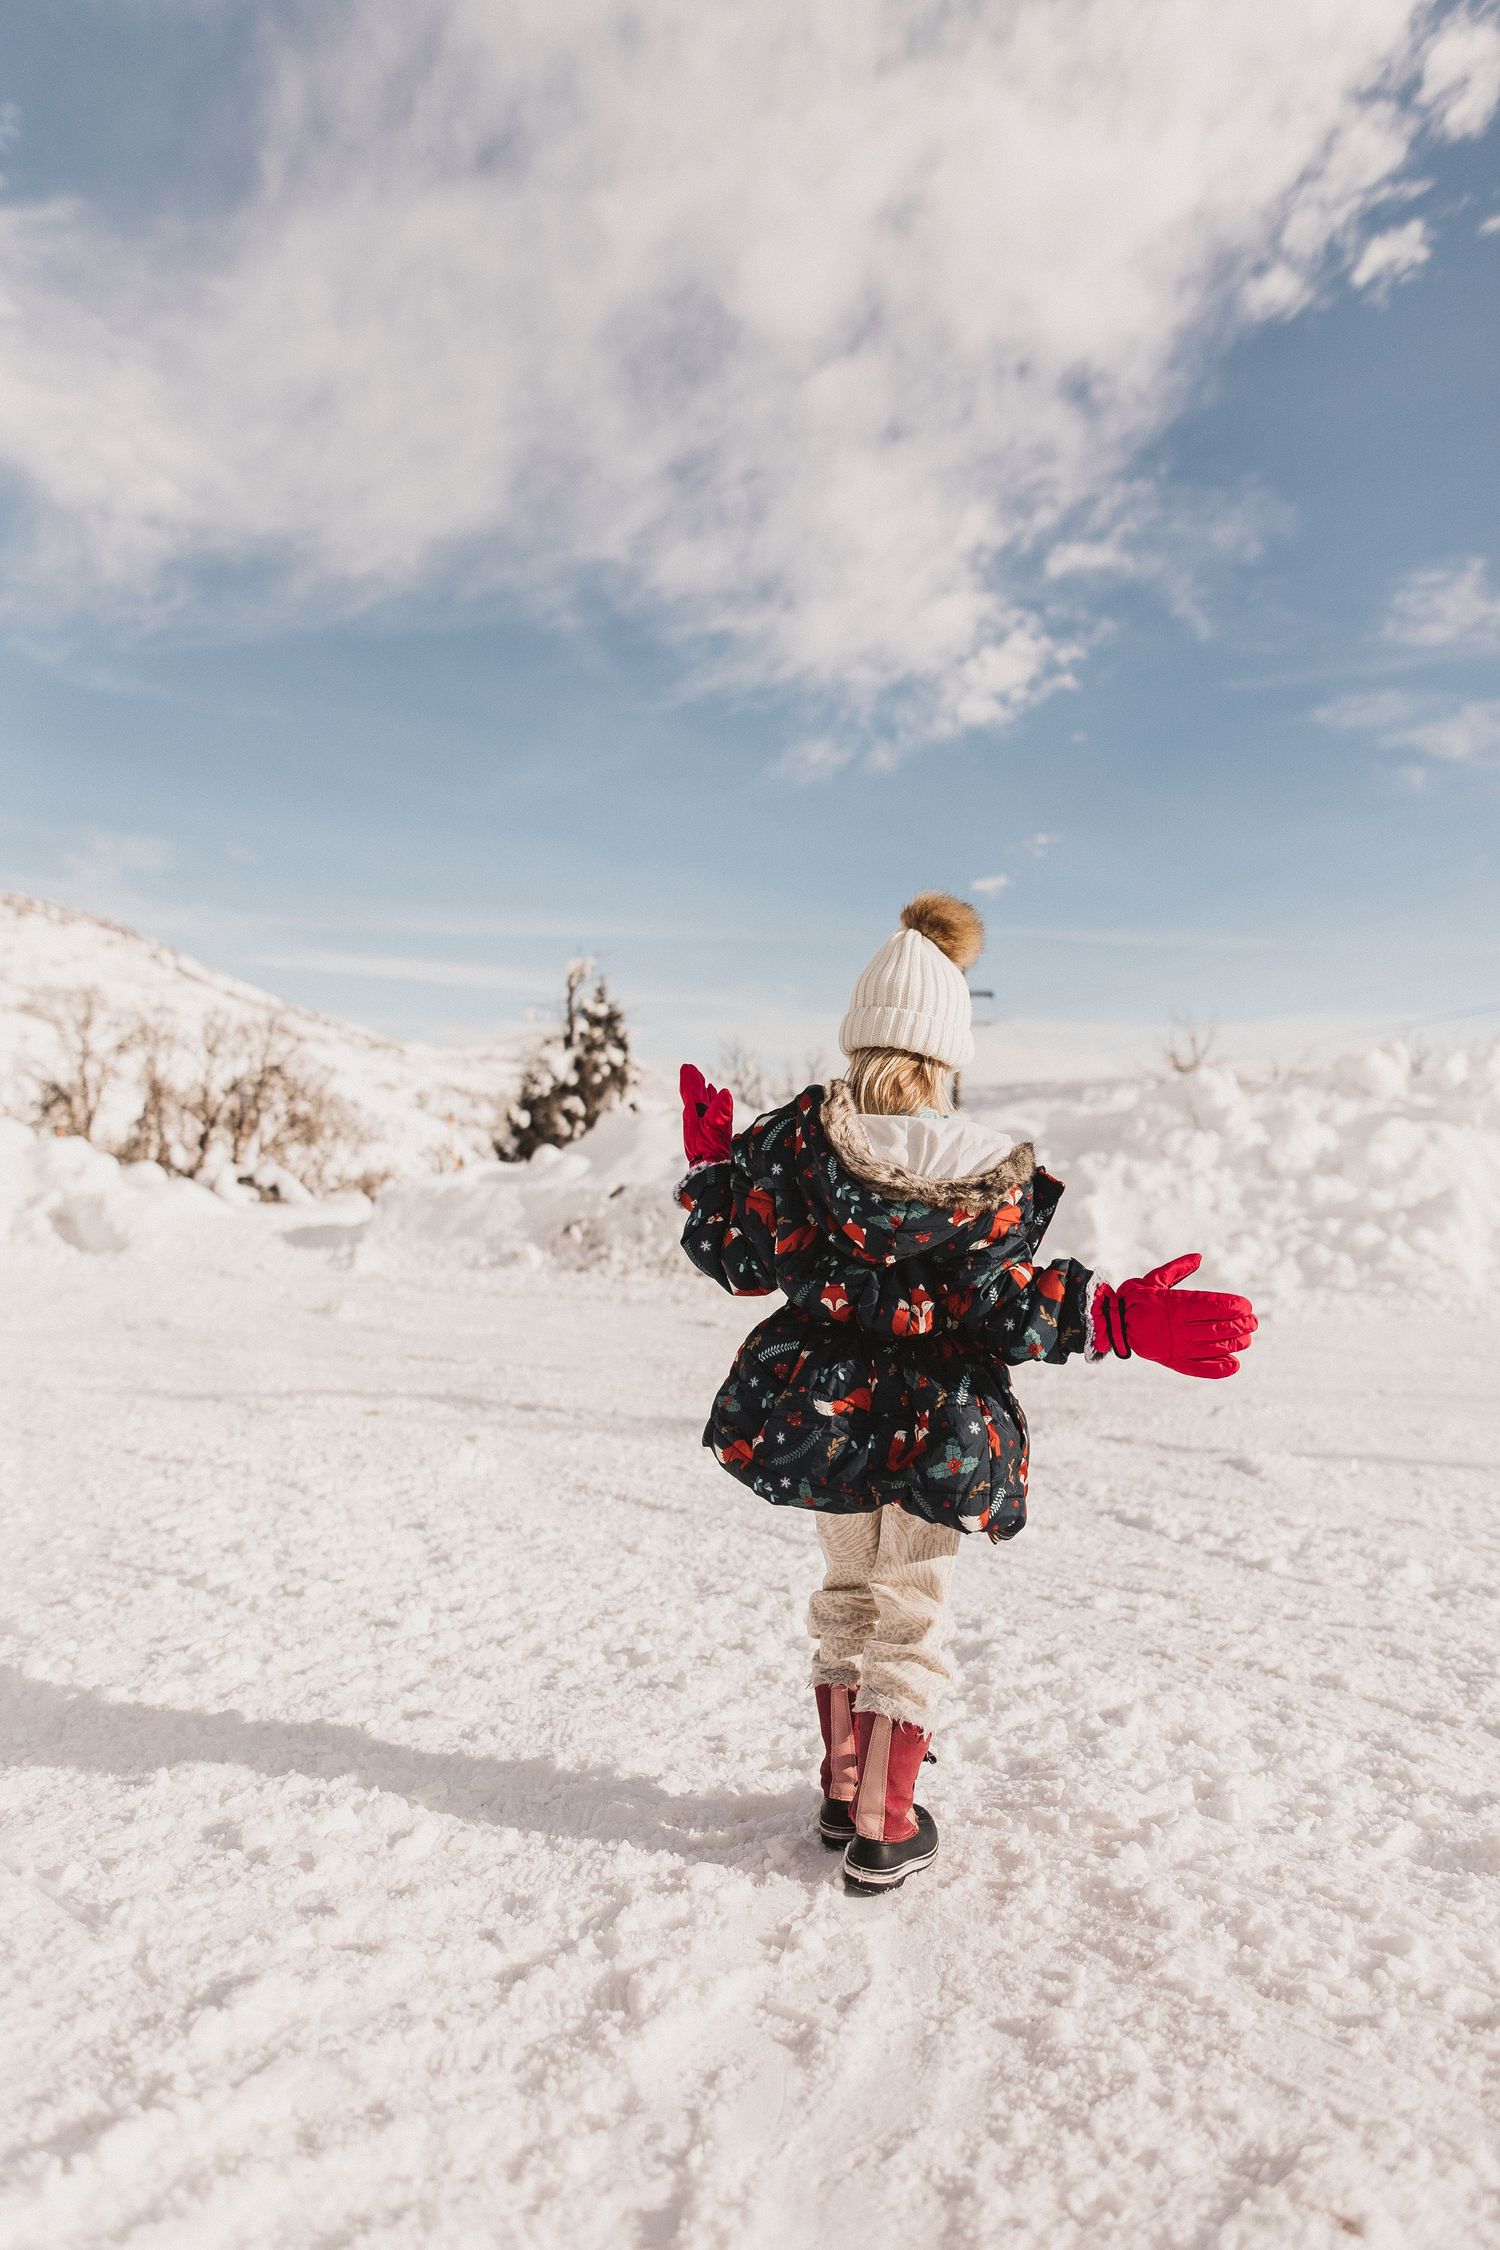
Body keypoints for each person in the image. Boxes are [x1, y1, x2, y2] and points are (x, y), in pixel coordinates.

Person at [676, 892, 1256, 1894]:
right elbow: (1012, 1307)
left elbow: (737, 1261)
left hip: (822, 1414)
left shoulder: (798, 1147)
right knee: (914, 1611)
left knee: (848, 1594)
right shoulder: (985, 1175)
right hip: (939, 1429)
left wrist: (715, 1165)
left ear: (860, 1039)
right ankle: (886, 1821)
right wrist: (1118, 1319)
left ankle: (841, 1781)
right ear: (947, 1053)